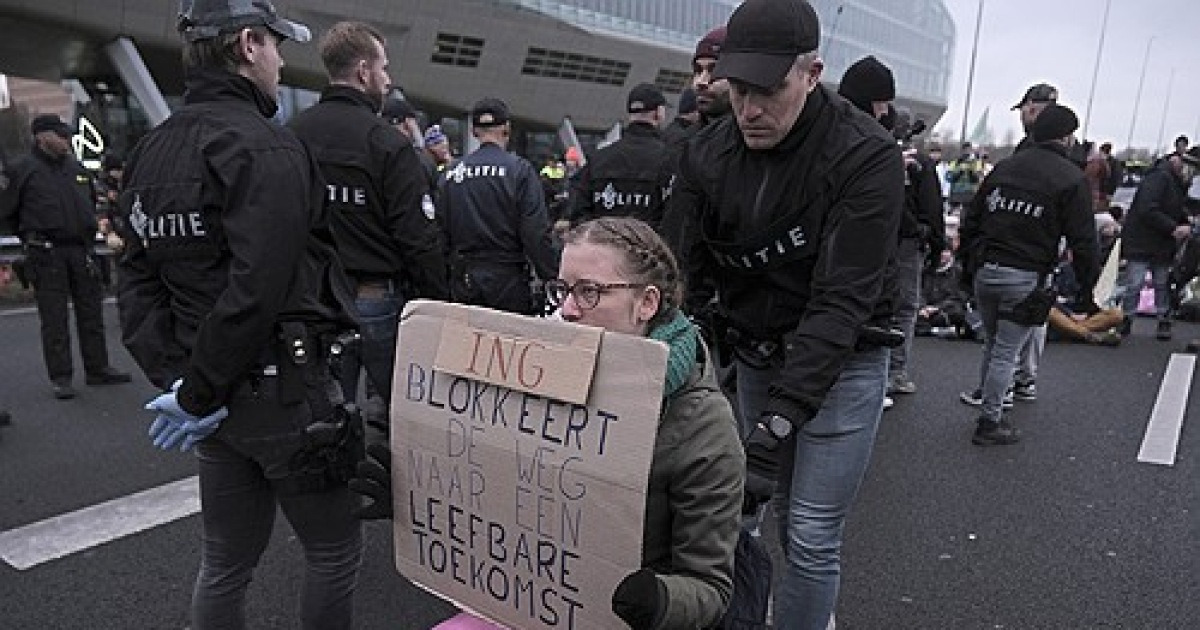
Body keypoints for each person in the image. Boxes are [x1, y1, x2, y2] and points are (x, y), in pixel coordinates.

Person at [353, 216, 744, 630]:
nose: (568, 310)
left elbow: (710, 588)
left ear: (646, 303)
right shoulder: (540, 369)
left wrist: (659, 599)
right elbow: (502, 492)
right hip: (530, 602)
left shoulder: (704, 426)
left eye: (590, 292)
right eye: (562, 290)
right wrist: (421, 504)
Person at [117, 2, 364, 627]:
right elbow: (262, 285)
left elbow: (137, 280)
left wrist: (186, 385)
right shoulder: (268, 147)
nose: (282, 62)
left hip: (213, 401)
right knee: (333, 551)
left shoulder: (151, 149)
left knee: (226, 561)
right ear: (249, 44)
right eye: (277, 45)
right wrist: (198, 389)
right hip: (283, 389)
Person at [670, 0, 904, 627]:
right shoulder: (707, 152)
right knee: (737, 518)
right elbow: (678, 275)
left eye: (768, 91)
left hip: (843, 359)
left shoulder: (867, 154)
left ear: (812, 72)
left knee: (809, 532)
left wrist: (776, 427)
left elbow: (842, 300)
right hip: (755, 351)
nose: (750, 109)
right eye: (739, 89)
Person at [289, 22, 447, 409]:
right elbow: (416, 237)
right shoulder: (386, 143)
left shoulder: (292, 135)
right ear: (363, 71)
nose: (388, 79)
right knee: (397, 412)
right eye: (384, 68)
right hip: (375, 297)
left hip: (313, 299)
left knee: (323, 417)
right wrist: (439, 304)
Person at [957, 104, 1099, 446]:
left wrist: (968, 267)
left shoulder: (1004, 168)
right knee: (1007, 351)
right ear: (1066, 137)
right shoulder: (1069, 179)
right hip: (1025, 274)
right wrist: (1086, 291)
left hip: (986, 271)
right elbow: (1083, 240)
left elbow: (972, 220)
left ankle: (992, 403)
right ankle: (990, 421)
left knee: (993, 346)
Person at [0, 113, 131, 399]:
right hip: (46, 252)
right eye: (60, 135)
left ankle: (98, 368)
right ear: (42, 137)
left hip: (80, 249)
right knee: (55, 318)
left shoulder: (75, 167)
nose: (66, 139)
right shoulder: (23, 169)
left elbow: (89, 203)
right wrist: (29, 240)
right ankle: (61, 377)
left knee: (91, 312)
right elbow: (8, 212)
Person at [436, 97, 558, 314]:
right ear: (507, 129)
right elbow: (535, 232)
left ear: (474, 131)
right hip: (508, 279)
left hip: (465, 280)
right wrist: (552, 275)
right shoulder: (519, 170)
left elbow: (439, 235)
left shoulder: (451, 174)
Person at [1117, 146, 1199, 339]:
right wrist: (1174, 227)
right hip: (1146, 238)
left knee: (1155, 282)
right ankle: (1133, 318)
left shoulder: (1172, 180)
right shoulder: (1160, 178)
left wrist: (1183, 221)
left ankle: (1141, 318)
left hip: (1154, 240)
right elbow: (1147, 209)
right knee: (1141, 283)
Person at [567, 83, 674, 230]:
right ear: (659, 113)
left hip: (603, 248)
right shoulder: (669, 159)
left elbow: (577, 213)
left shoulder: (598, 159)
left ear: (630, 114)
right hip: (648, 249)